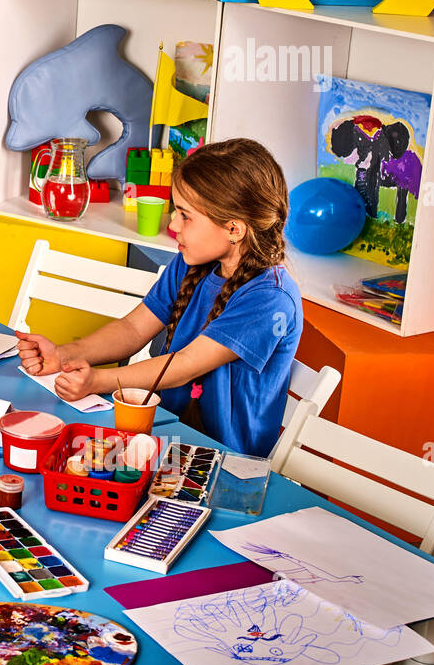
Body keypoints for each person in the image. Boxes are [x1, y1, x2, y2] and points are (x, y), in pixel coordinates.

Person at [17, 138, 301, 457]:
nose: (172, 224)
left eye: (185, 215)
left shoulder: (270, 297)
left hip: (223, 461)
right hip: (161, 437)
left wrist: (98, 380)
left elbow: (186, 363)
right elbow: (134, 329)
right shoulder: (191, 263)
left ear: (234, 229)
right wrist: (64, 355)